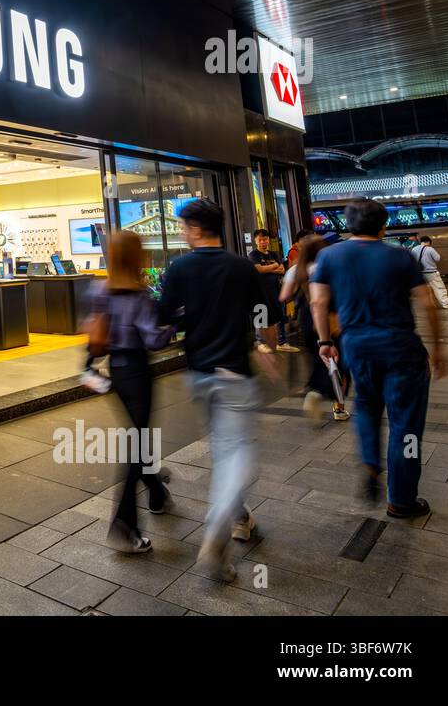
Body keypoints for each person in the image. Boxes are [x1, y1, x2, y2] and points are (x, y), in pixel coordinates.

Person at [310, 199, 448, 519]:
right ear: (383, 225)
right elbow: (427, 304)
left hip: (357, 347)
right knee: (407, 425)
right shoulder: (400, 255)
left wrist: (324, 342)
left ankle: (372, 463)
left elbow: (318, 302)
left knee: (367, 406)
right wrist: (439, 347)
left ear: (348, 224)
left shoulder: (329, 256)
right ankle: (402, 499)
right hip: (401, 348)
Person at [158, 198, 268, 581]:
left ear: (197, 229)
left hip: (200, 374)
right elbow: (263, 311)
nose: (181, 233)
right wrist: (265, 344)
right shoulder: (242, 266)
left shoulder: (180, 268)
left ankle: (239, 517)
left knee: (224, 450)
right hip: (235, 373)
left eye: (184, 227)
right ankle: (221, 519)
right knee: (235, 452)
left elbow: (162, 316)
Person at [86, 230, 176, 553]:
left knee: (139, 435)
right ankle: (124, 526)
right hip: (138, 372)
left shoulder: (101, 290)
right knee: (138, 445)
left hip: (117, 373)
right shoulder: (139, 296)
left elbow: (94, 333)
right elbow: (153, 339)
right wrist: (176, 324)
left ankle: (156, 492)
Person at [280, 234, 349, 424]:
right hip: (331, 317)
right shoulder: (328, 266)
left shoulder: (295, 270)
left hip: (306, 320)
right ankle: (338, 406)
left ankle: (315, 391)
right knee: (339, 363)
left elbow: (284, 296)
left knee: (317, 360)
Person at [248, 229, 296, 352]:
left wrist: (268, 268)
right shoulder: (253, 255)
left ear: (268, 240)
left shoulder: (274, 254)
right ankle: (261, 342)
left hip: (276, 290)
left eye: (265, 239)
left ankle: (282, 342)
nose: (263, 242)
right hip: (260, 291)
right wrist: (273, 266)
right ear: (255, 241)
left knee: (279, 314)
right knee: (261, 314)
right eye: (260, 240)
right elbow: (258, 269)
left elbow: (282, 270)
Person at [412, 236, 448, 309]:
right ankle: (446, 304)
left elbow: (412, 260)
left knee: (426, 290)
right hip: (431, 272)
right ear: (429, 242)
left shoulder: (414, 249)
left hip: (420, 273)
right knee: (440, 288)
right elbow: (437, 258)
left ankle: (430, 305)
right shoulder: (430, 249)